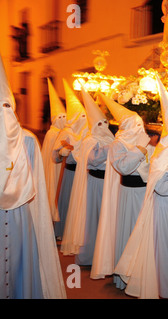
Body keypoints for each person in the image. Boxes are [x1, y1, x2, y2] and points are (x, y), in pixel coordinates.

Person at [115, 76, 168, 299]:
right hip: (166, 210)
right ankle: (165, 288)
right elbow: (162, 187)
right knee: (167, 251)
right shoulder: (161, 156)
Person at [0, 54, 66, 299]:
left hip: (20, 218)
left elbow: (37, 184)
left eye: (7, 106)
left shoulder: (27, 139)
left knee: (19, 264)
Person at [91, 92, 154, 290]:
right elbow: (124, 167)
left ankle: (140, 276)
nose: (139, 128)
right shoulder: (118, 143)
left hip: (145, 192)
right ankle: (124, 277)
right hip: (130, 193)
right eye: (135, 124)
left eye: (139, 124)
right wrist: (141, 149)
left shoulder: (146, 140)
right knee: (130, 230)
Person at [60, 89, 115, 266]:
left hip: (107, 184)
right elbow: (94, 159)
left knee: (104, 221)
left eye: (105, 122)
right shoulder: (90, 140)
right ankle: (88, 256)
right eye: (99, 123)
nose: (104, 126)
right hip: (95, 184)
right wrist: (112, 148)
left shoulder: (110, 138)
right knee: (92, 220)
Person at [52, 79, 89, 239]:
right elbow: (55, 156)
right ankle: (63, 232)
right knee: (67, 202)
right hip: (70, 174)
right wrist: (63, 152)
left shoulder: (88, 132)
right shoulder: (66, 132)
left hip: (84, 174)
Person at [41, 78, 66, 222]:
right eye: (60, 117)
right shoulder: (52, 133)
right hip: (53, 167)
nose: (63, 119)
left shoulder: (62, 132)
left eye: (65, 116)